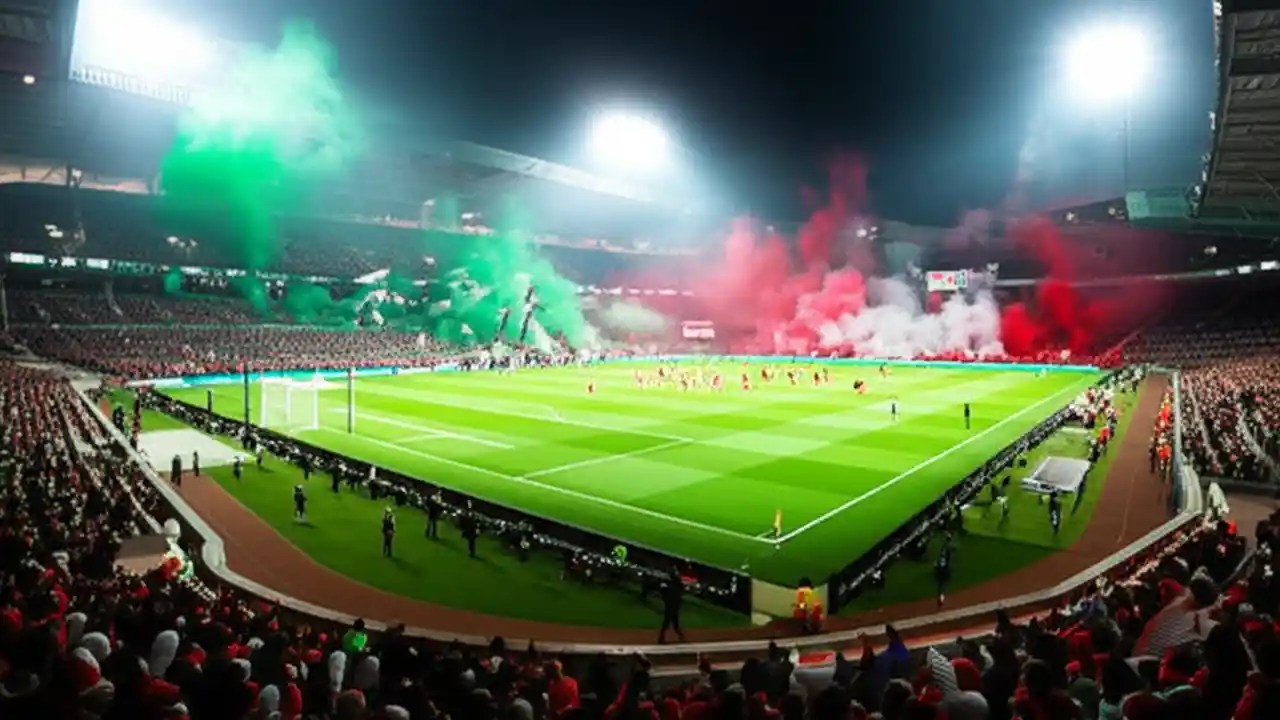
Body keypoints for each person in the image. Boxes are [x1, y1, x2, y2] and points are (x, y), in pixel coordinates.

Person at [658, 569, 686, 644]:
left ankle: (662, 639)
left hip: (672, 606)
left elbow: (664, 590)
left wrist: (663, 587)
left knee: (670, 624)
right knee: (672, 624)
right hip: (673, 606)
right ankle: (679, 635)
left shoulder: (673, 584)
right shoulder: (675, 584)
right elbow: (664, 591)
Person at [935, 532, 953, 607]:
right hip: (944, 568)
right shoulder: (947, 548)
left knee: (940, 585)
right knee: (943, 585)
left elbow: (941, 557)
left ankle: (940, 598)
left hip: (941, 567)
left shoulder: (943, 547)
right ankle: (941, 599)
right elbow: (948, 558)